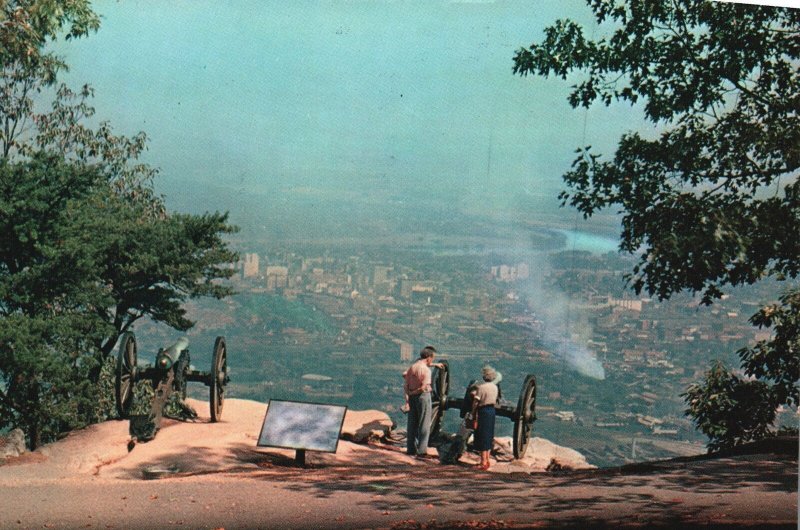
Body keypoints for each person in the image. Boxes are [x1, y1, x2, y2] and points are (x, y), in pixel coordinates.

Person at [403, 345, 440, 457]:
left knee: (412, 423)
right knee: (424, 423)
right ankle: (422, 451)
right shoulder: (426, 371)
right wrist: (415, 392)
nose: (432, 360)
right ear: (429, 357)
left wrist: (409, 395)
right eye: (432, 358)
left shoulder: (412, 367)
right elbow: (424, 387)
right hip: (423, 397)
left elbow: (406, 383)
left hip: (412, 397)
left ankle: (410, 449)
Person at [470, 366, 499, 470]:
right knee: (488, 435)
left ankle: (483, 462)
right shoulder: (495, 387)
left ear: (484, 377)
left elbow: (476, 401)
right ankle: (487, 460)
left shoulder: (481, 388)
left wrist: (473, 412)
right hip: (492, 411)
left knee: (482, 435)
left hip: (483, 411)